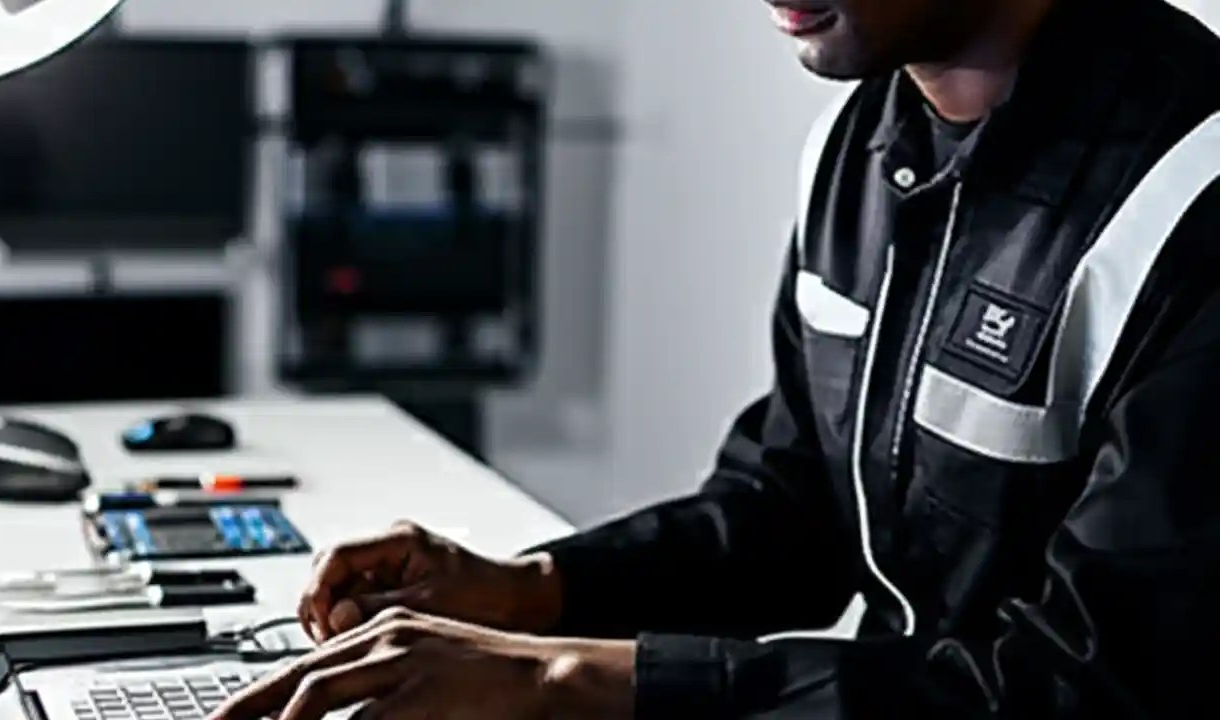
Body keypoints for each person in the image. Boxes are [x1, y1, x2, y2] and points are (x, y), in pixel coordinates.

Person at [210, 0, 1220, 717]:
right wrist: (519, 593)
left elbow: (1094, 686)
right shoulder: (852, 146)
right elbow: (794, 514)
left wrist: (557, 681)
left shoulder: (1194, 190)